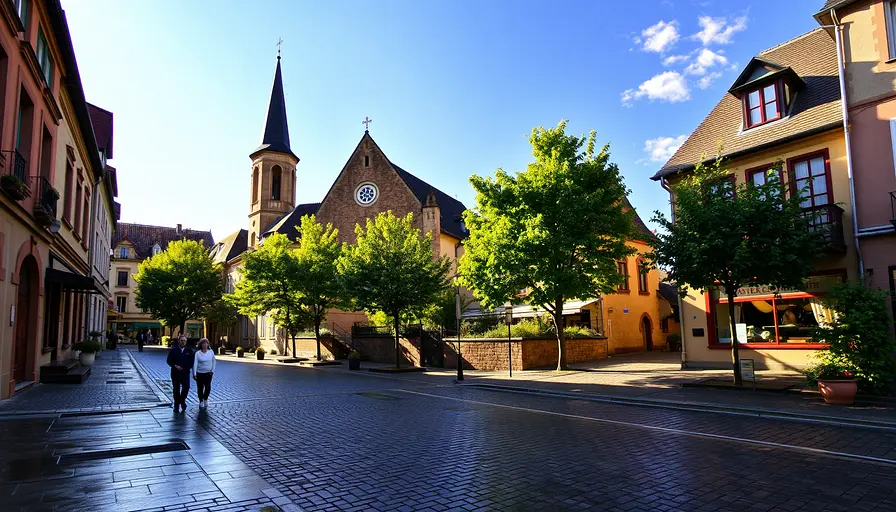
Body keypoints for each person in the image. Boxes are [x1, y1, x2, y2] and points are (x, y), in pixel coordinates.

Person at [166, 335, 194, 412]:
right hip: (175, 373)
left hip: (185, 373)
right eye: (181, 340)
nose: (183, 342)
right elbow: (169, 361)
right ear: (179, 341)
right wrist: (175, 366)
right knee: (176, 390)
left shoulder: (189, 350)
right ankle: (176, 405)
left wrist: (186, 368)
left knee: (186, 387)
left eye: (184, 340)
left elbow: (192, 362)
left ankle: (182, 401)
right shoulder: (173, 350)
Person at [192, 338, 217, 408]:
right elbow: (195, 364)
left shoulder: (211, 352)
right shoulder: (198, 353)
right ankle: (201, 401)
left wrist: (212, 370)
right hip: (199, 373)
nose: (205, 345)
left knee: (208, 388)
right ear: (201, 345)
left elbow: (214, 361)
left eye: (206, 343)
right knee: (200, 388)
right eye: (203, 344)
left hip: (208, 373)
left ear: (208, 344)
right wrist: (194, 374)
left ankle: (205, 399)